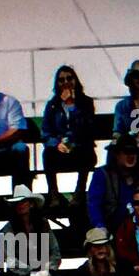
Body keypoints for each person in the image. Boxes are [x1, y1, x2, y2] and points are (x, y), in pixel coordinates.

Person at [40, 65, 96, 208]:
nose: (65, 82)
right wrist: (57, 144)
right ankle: (54, 194)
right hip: (60, 149)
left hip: (80, 148)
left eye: (69, 78)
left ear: (75, 80)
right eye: (61, 80)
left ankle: (79, 192)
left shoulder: (86, 103)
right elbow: (45, 132)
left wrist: (72, 105)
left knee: (87, 152)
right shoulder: (52, 105)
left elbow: (87, 128)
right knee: (47, 154)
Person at [0, 185, 61, 276]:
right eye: (18, 203)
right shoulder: (8, 229)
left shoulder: (43, 224)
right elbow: (10, 259)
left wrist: (46, 270)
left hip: (44, 269)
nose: (21, 205)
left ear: (31, 204)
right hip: (20, 274)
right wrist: (30, 272)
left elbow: (54, 250)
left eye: (24, 202)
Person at [87, 134, 139, 234]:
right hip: (111, 229)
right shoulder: (103, 175)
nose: (130, 156)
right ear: (117, 154)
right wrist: (100, 226)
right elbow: (94, 204)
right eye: (126, 152)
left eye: (133, 152)